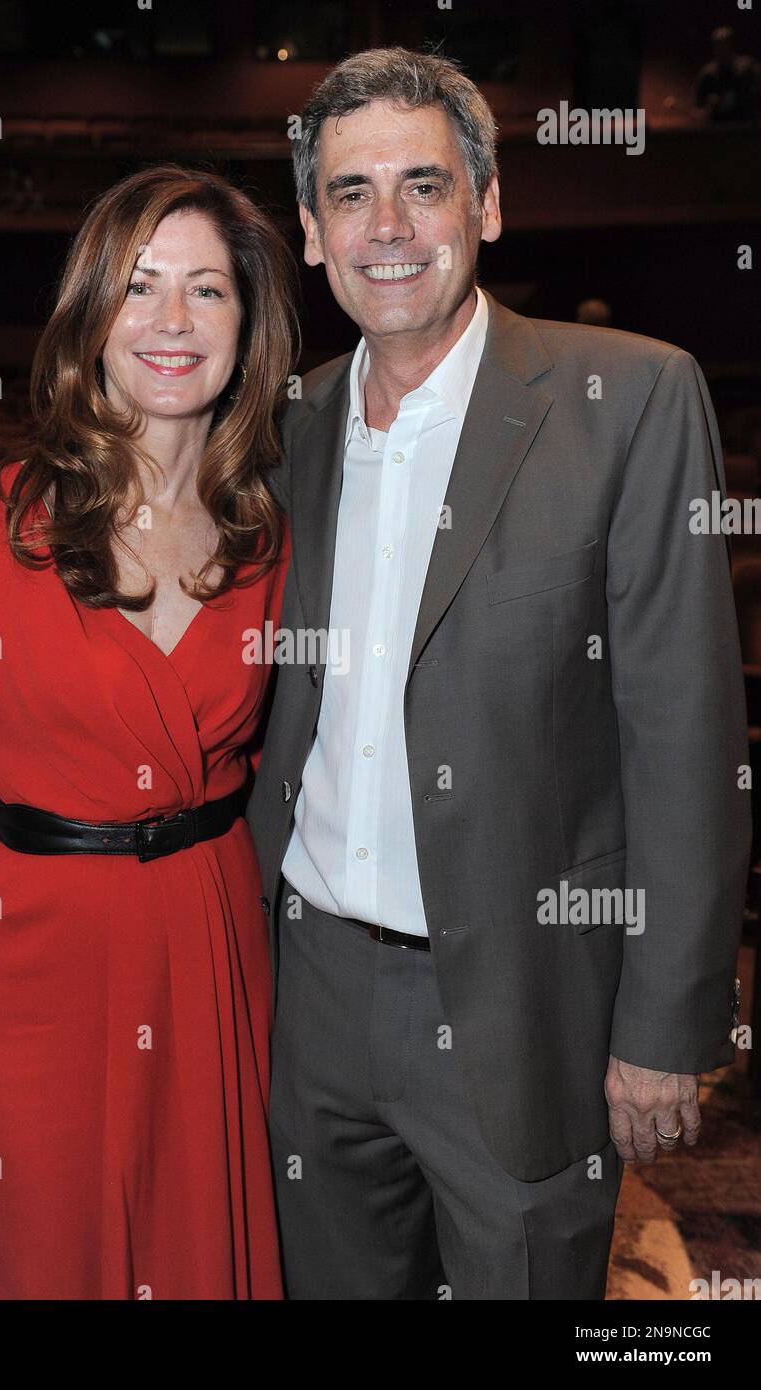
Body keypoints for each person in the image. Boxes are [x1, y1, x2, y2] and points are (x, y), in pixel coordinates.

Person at [247, 47, 750, 1300]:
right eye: (352, 195)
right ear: (311, 234)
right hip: (306, 998)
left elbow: (685, 738)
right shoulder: (284, 425)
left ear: (488, 203)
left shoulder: (630, 399)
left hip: (526, 1007)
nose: (391, 227)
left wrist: (663, 1029)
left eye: (426, 184)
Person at [0, 165, 298, 1300]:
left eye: (207, 291)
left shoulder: (273, 537)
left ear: (247, 332)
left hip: (208, 944)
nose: (172, 322)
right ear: (91, 319)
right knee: (36, 1253)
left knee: (198, 1246)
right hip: (33, 954)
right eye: (140, 287)